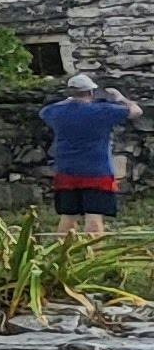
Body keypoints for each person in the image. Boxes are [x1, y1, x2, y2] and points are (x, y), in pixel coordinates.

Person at [38, 72, 137, 237]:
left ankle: (63, 255)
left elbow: (43, 112)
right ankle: (94, 257)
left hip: (66, 170)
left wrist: (69, 99)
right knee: (94, 215)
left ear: (69, 92)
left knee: (68, 216)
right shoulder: (103, 110)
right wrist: (121, 98)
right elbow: (135, 112)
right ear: (91, 92)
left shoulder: (56, 112)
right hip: (97, 170)